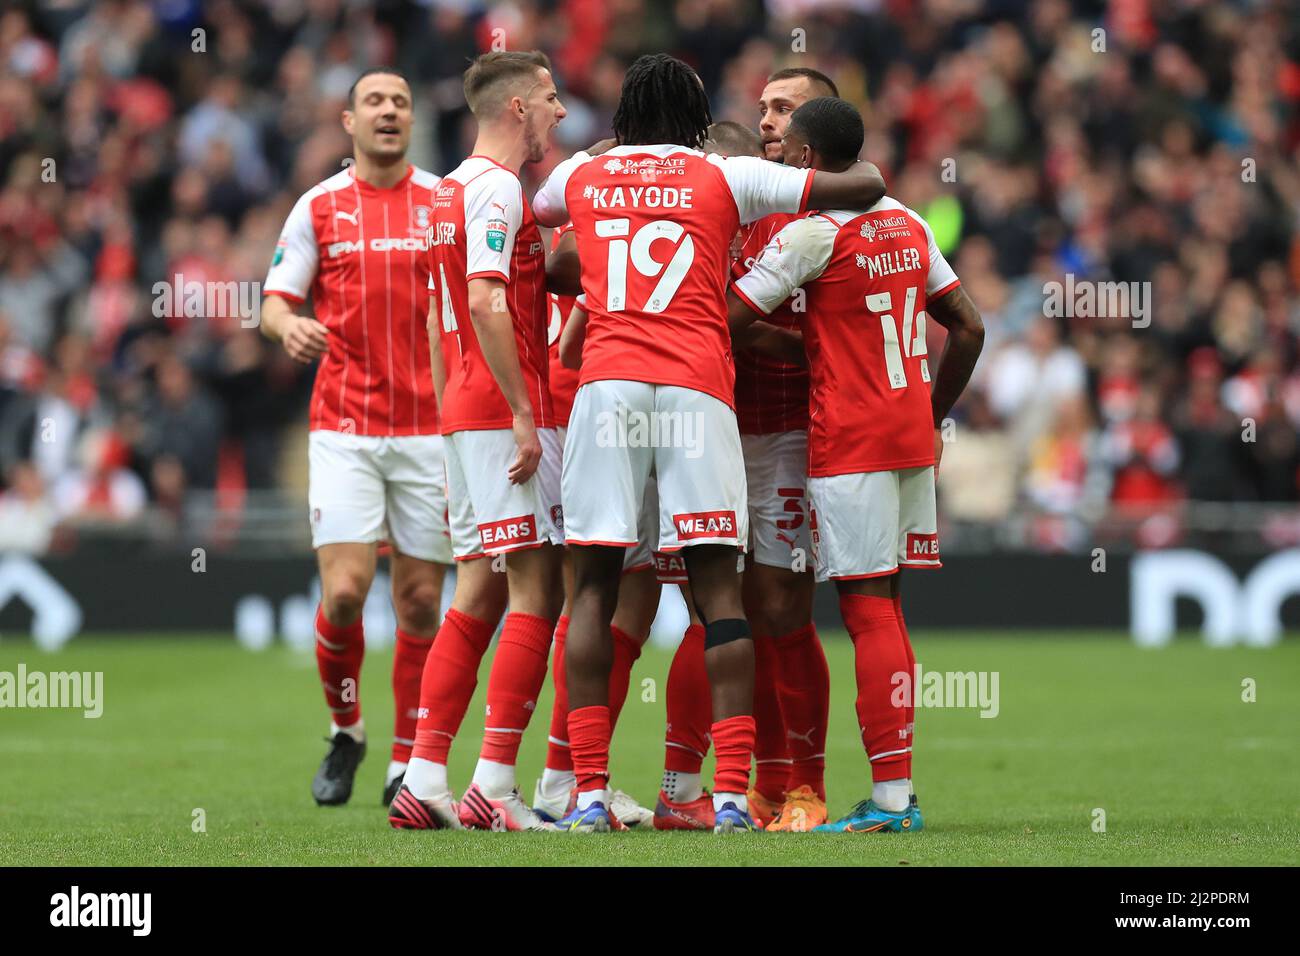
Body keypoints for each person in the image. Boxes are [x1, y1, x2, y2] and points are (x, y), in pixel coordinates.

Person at [532, 53, 887, 833]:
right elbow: (863, 187)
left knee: (590, 588)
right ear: (698, 119)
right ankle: (729, 797)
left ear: (623, 116)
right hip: (697, 391)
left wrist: (600, 164)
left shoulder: (585, 178)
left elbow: (542, 212)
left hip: (608, 391)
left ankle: (585, 790)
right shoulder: (724, 176)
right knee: (719, 595)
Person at [729, 97, 985, 833]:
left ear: (808, 161)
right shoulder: (906, 221)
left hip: (849, 441)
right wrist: (933, 411)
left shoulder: (811, 236)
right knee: (887, 608)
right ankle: (897, 792)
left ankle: (893, 803)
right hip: (909, 435)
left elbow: (727, 319)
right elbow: (968, 324)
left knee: (865, 612)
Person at [386, 51, 567, 832]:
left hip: (464, 413)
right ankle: (494, 781)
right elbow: (487, 299)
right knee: (538, 589)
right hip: (501, 416)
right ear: (518, 108)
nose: (561, 111)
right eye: (551, 98)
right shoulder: (496, 191)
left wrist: (448, 415)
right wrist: (524, 412)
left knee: (479, 591)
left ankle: (425, 776)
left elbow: (435, 318)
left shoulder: (444, 192)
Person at [261, 68, 449, 809]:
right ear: (348, 122)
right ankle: (348, 732)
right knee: (343, 593)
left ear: (411, 120)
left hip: (432, 431)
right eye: (375, 101)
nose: (389, 112)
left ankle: (406, 760)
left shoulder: (442, 202)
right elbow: (275, 300)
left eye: (401, 101)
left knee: (421, 603)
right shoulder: (320, 206)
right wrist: (290, 325)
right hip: (344, 426)